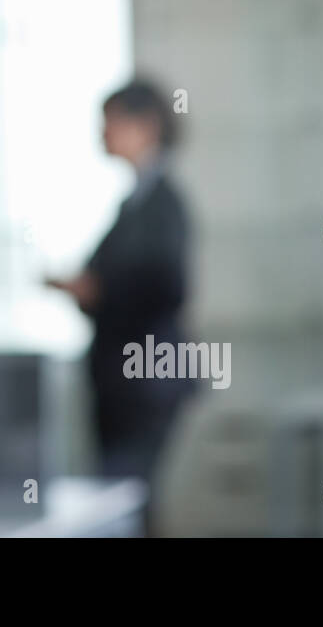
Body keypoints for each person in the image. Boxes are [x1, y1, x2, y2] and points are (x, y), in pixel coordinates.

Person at [46, 79, 194, 488]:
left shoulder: (163, 204)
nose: (102, 133)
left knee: (126, 496)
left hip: (145, 382)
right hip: (129, 380)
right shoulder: (137, 201)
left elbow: (168, 288)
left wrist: (99, 291)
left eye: (110, 122)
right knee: (128, 499)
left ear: (145, 126)